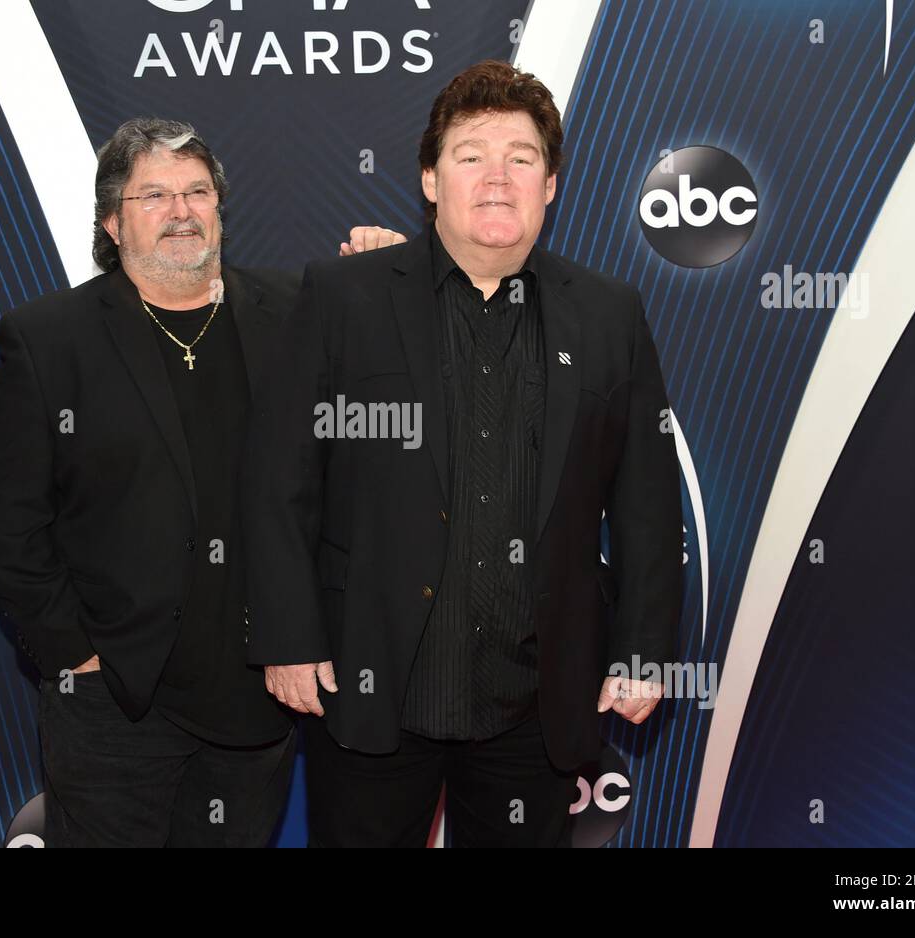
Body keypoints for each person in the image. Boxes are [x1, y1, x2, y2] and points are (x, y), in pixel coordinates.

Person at [243, 61, 683, 847]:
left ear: (550, 185)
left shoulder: (609, 314)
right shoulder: (346, 296)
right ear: (429, 179)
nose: (497, 177)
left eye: (521, 157)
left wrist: (645, 651)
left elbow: (647, 501)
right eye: (470, 154)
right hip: (370, 685)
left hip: (535, 701)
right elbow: (281, 482)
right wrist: (287, 638)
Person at [0, 117, 403, 847]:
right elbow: (8, 516)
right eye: (154, 196)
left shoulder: (295, 309)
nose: (181, 211)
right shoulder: (49, 338)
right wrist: (76, 654)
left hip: (259, 698)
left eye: (198, 192)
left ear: (220, 211)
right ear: (112, 222)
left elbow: (402, 361)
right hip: (117, 703)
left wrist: (390, 268)